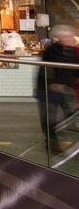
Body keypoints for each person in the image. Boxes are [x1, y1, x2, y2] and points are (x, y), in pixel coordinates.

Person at [36, 25, 79, 153]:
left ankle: (71, 145)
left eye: (70, 36)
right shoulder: (51, 51)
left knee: (70, 117)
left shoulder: (73, 51)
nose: (68, 38)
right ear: (58, 38)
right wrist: (52, 83)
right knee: (49, 118)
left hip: (65, 90)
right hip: (47, 91)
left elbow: (76, 73)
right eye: (65, 36)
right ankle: (51, 143)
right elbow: (46, 70)